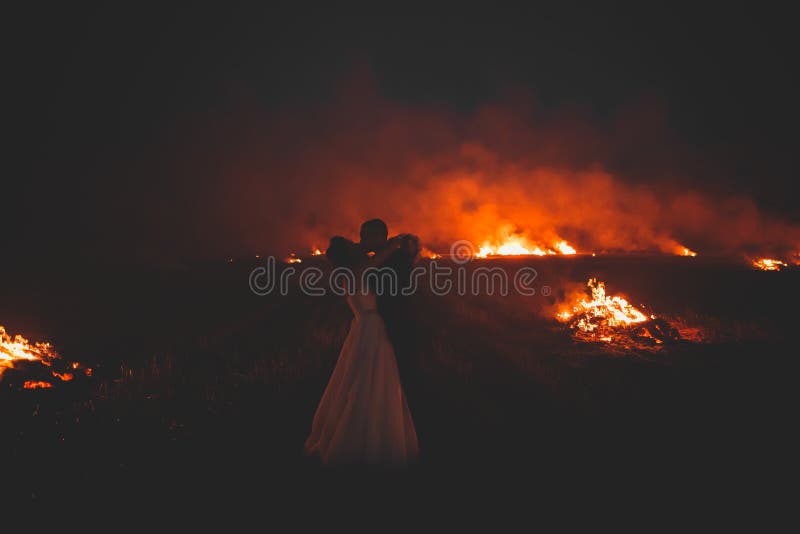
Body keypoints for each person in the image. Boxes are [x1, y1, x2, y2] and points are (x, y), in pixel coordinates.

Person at [303, 220, 419, 465]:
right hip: (371, 331)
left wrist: (395, 249)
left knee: (366, 380)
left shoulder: (355, 270)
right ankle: (370, 440)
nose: (358, 243)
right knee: (369, 381)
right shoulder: (355, 271)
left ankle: (371, 431)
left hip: (366, 330)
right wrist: (391, 246)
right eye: (354, 242)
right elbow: (370, 267)